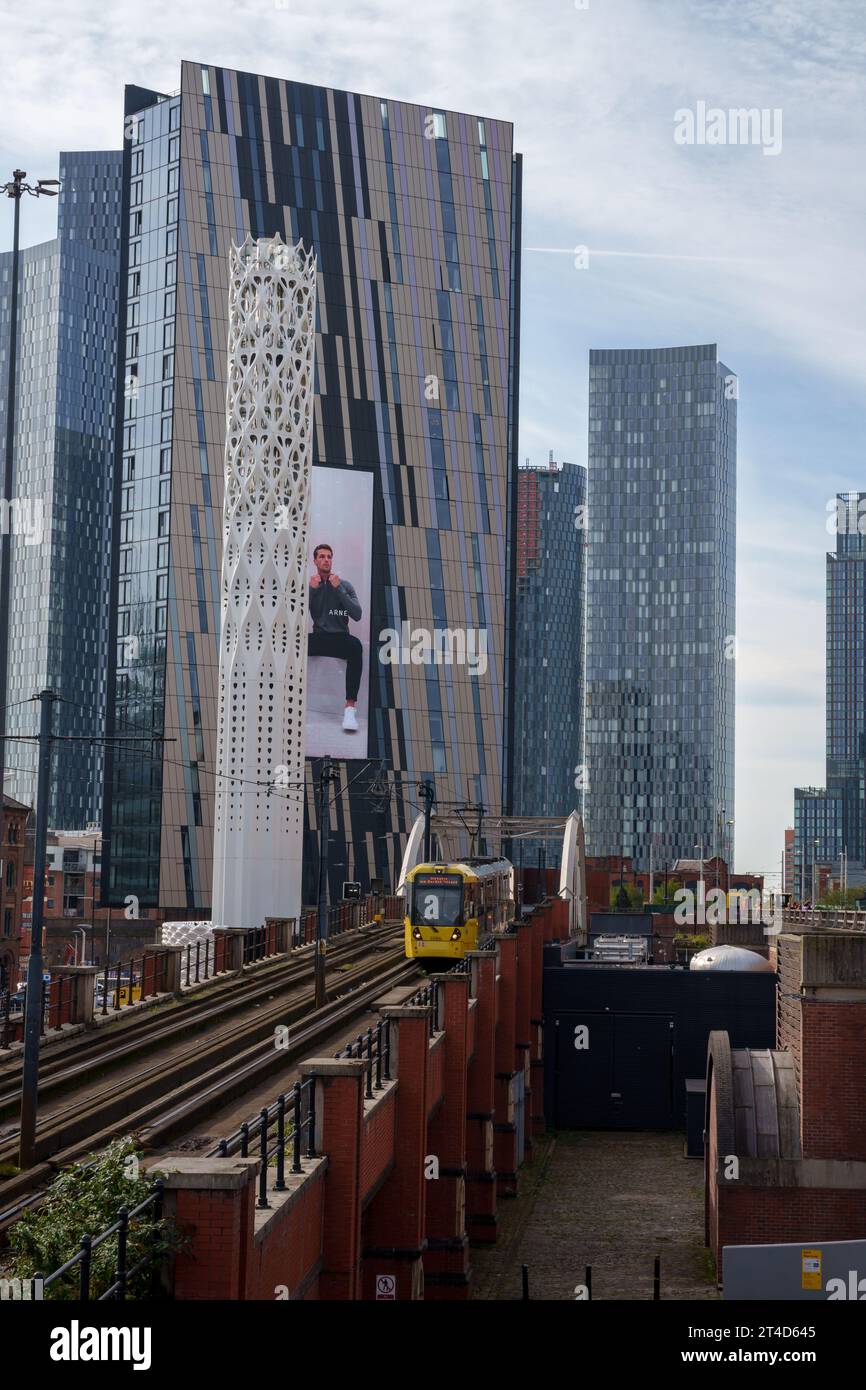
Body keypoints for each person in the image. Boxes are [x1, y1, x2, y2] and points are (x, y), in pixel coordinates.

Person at [308, 543, 363, 731]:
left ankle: (349, 710)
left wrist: (339, 589)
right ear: (315, 561)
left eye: (329, 557)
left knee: (356, 646)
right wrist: (311, 591)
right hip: (319, 637)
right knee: (292, 643)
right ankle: (288, 699)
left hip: (340, 638)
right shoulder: (310, 585)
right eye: (322, 556)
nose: (326, 560)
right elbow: (294, 613)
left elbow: (357, 614)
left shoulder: (344, 585)